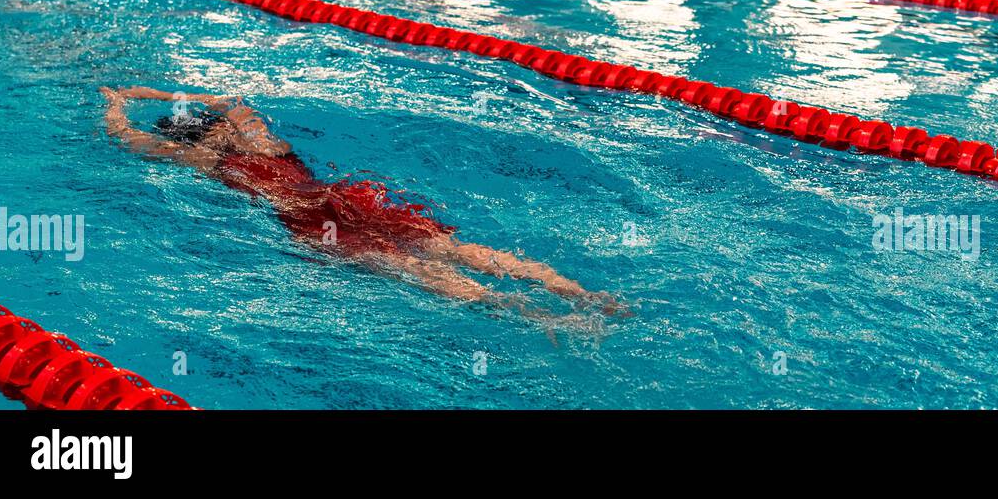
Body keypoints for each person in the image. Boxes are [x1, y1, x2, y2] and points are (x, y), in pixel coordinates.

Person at [99, 87, 624, 328]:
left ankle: (537, 318)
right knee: (455, 250)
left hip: (308, 220)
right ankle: (577, 293)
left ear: (195, 140)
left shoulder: (202, 163)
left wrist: (115, 103)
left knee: (412, 270)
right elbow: (231, 101)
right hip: (347, 195)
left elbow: (125, 139)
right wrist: (149, 90)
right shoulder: (262, 143)